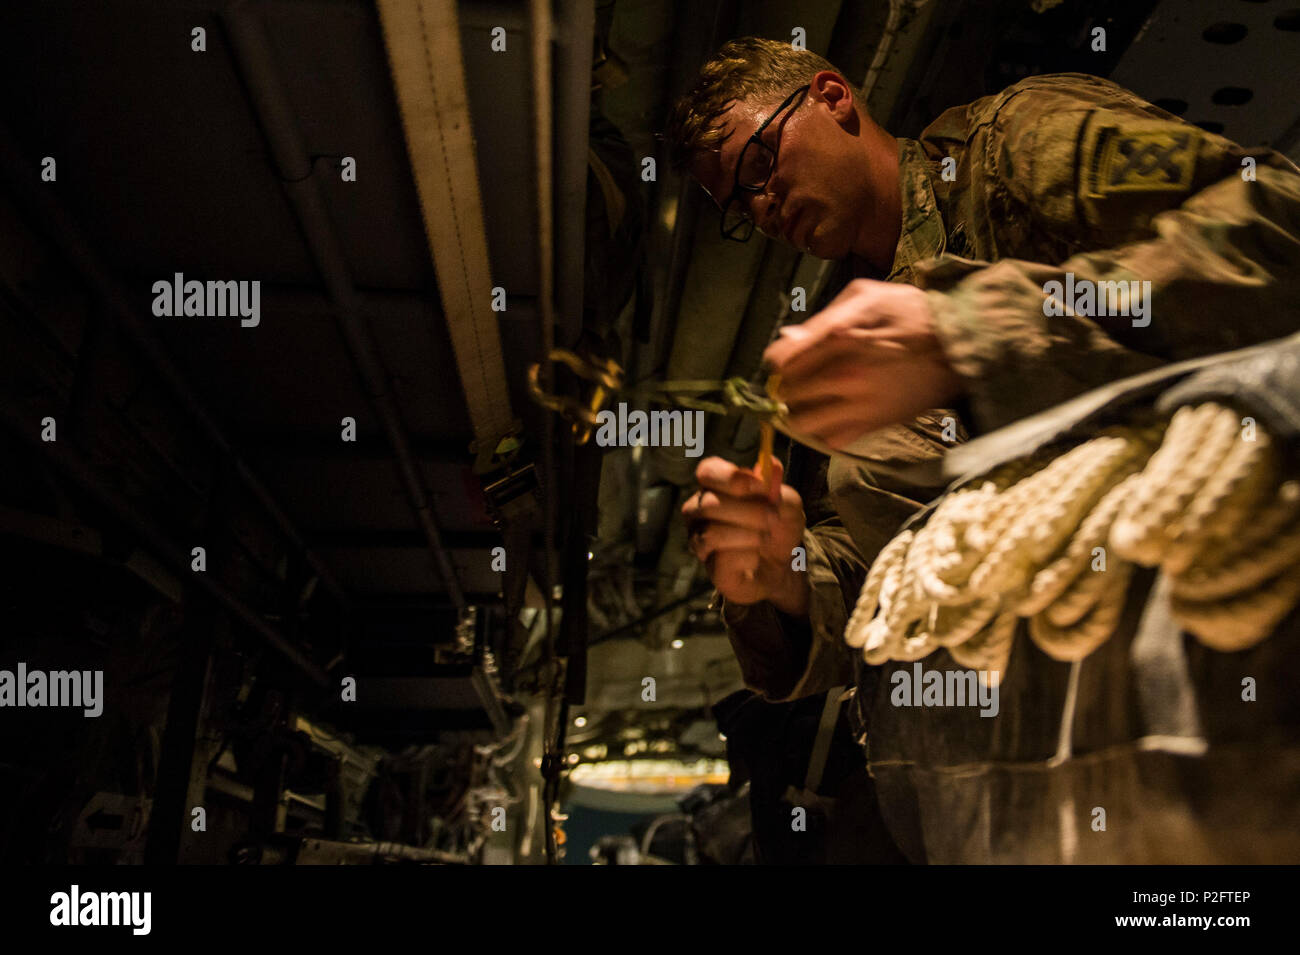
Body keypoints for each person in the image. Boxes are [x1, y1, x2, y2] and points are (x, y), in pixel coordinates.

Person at [667, 36, 1300, 711]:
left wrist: (968, 331)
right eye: (741, 205)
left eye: (761, 160)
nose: (762, 204)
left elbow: (1276, 221)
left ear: (832, 96)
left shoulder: (1015, 148)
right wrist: (782, 576)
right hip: (1114, 696)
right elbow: (890, 575)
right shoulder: (853, 338)